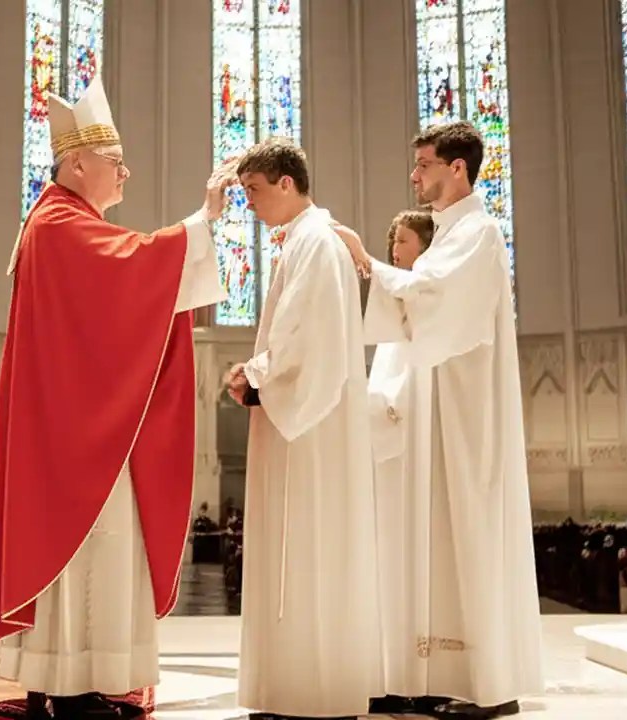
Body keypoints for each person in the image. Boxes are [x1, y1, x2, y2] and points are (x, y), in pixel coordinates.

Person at [0, 75, 237, 720]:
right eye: (116, 164)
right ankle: (72, 684)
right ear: (78, 163)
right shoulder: (59, 224)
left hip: (78, 424)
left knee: (103, 547)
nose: (127, 174)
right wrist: (202, 221)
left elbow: (125, 280)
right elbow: (134, 268)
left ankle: (72, 679)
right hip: (77, 437)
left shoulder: (63, 222)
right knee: (95, 542)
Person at [342, 121, 543, 718]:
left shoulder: (479, 232)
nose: (415, 174)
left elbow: (433, 301)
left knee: (469, 533)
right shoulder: (454, 234)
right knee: (434, 541)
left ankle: (487, 686)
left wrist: (367, 262)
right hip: (437, 413)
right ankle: (431, 673)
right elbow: (421, 302)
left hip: (466, 416)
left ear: (458, 168)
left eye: (425, 163)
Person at [222, 138, 384, 719]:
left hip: (308, 432)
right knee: (299, 550)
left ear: (286, 183)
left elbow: (303, 335)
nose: (251, 204)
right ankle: (291, 689)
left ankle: (309, 693)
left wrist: (255, 375)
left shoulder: (315, 242)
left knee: (306, 549)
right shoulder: (307, 240)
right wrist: (260, 372)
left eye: (256, 192)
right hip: (302, 426)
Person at [364, 211, 435, 715]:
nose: (394, 246)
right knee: (384, 566)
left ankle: (415, 672)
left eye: (403, 239)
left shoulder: (429, 304)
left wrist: (379, 405)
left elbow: (415, 380)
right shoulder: (395, 303)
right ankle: (388, 668)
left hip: (412, 453)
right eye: (390, 239)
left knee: (411, 562)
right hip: (383, 453)